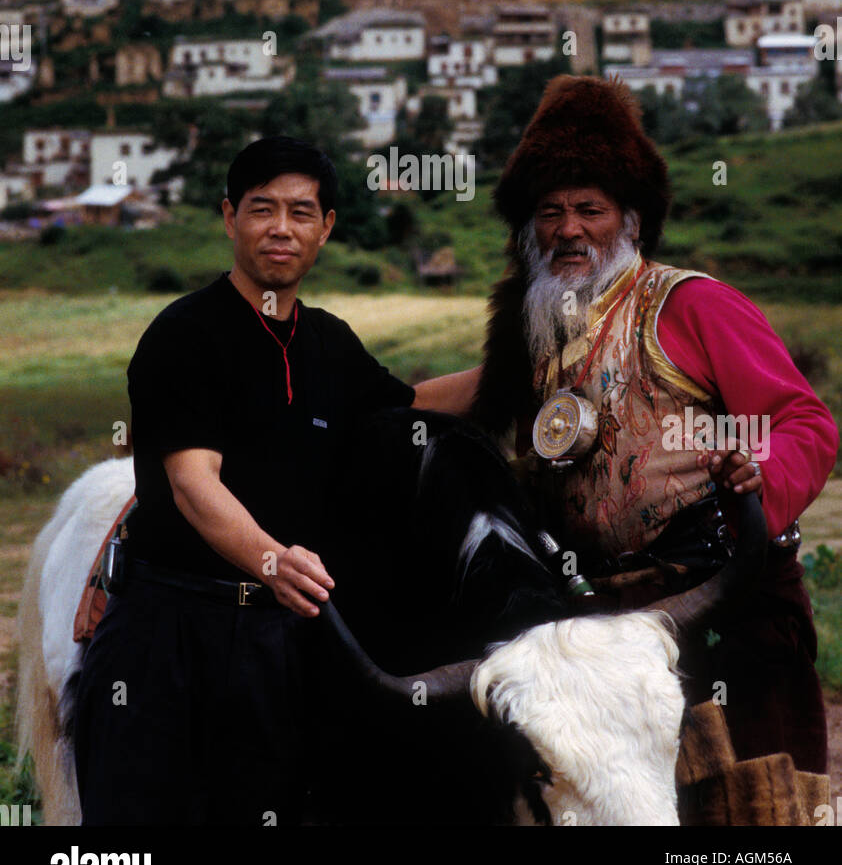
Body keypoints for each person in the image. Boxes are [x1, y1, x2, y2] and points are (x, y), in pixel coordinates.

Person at [73, 135, 460, 826]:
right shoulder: (184, 335)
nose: (282, 228)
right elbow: (194, 483)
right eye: (263, 209)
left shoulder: (330, 344)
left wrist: (528, 368)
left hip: (280, 642)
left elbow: (417, 405)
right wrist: (272, 560)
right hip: (169, 635)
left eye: (302, 212)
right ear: (229, 219)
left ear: (327, 228)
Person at [460, 75, 837, 775]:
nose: (568, 228)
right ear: (528, 228)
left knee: (751, 813)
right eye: (550, 211)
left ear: (629, 219)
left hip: (729, 601)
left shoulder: (691, 305)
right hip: (606, 623)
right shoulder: (535, 334)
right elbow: (459, 399)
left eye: (590, 209)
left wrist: (760, 480)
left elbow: (804, 421)